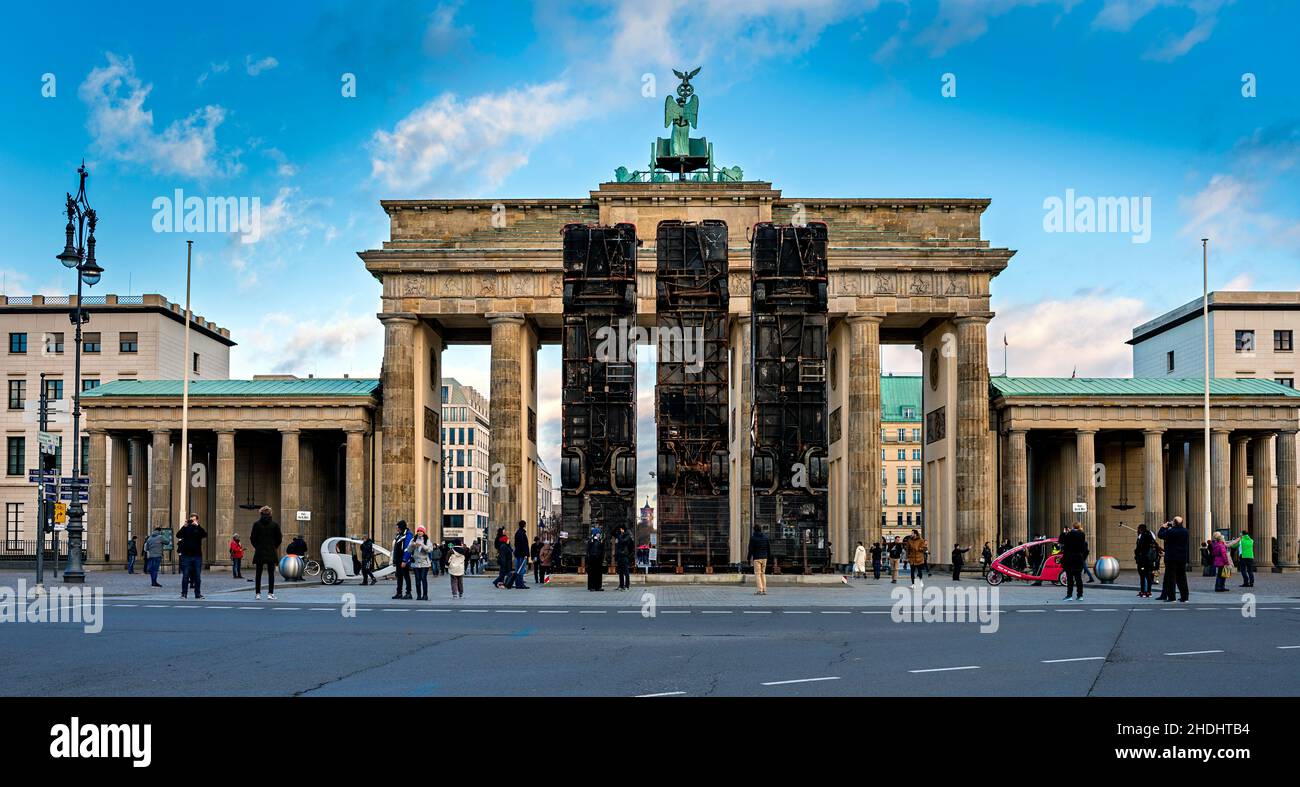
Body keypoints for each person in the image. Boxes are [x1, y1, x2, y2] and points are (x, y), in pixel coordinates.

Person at [250, 506, 282, 601]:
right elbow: (279, 539)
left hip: (260, 551)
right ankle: (270, 593)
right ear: (270, 513)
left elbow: (252, 538)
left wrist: (257, 546)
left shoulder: (256, 524)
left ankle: (258, 594)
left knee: (258, 573)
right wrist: (273, 546)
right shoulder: (275, 525)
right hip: (271, 551)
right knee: (271, 574)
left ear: (261, 513)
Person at [1157, 516, 1190, 602]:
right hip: (1182, 558)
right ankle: (1185, 597)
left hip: (1171, 558)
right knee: (1182, 577)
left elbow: (1160, 535)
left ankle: (1172, 597)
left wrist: (1163, 527)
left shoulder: (1171, 531)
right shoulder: (1185, 531)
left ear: (1174, 523)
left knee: (1171, 578)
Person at [176, 513, 207, 599]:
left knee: (197, 576)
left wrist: (198, 526)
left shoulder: (198, 528)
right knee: (185, 575)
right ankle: (184, 594)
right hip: (186, 556)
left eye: (193, 520)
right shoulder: (186, 528)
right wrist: (184, 526)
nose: (191, 521)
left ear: (197, 520)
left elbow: (204, 534)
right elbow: (178, 535)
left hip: (197, 556)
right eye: (190, 520)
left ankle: (197, 594)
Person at [1058, 522, 1089, 601]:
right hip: (1078, 558)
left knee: (1070, 578)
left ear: (1072, 526)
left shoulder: (1069, 534)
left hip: (1069, 559)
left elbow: (1061, 541)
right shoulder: (1082, 534)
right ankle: (1080, 595)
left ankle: (1069, 595)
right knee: (1078, 578)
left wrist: (1064, 533)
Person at [1134, 523, 1159, 598]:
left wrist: (1136, 553)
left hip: (1143, 560)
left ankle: (1143, 592)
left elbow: (1139, 548)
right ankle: (1148, 591)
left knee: (1143, 576)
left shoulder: (1142, 536)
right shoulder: (1151, 536)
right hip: (1150, 560)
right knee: (1148, 576)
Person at [391, 520, 413, 600]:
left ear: (401, 527)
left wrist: (405, 560)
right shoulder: (398, 535)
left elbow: (408, 549)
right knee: (399, 576)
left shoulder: (408, 535)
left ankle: (408, 593)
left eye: (398, 526)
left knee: (406, 576)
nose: (396, 528)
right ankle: (399, 592)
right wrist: (394, 560)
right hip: (398, 560)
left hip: (403, 560)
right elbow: (395, 548)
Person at [409, 526, 432, 600]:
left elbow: (429, 550)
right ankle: (419, 595)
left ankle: (425, 595)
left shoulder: (427, 540)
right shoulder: (413, 539)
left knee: (423, 578)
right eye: (418, 531)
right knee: (417, 579)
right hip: (416, 563)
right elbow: (408, 550)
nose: (419, 532)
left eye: (421, 531)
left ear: (424, 532)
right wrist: (413, 545)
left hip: (424, 562)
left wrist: (422, 545)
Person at [747, 525, 771, 595]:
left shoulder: (753, 538)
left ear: (754, 530)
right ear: (761, 529)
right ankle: (764, 590)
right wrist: (769, 557)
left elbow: (750, 549)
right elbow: (768, 548)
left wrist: (748, 558)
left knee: (758, 574)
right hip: (764, 557)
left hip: (757, 558)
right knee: (763, 573)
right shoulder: (765, 537)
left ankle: (760, 590)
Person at [615, 524, 634, 590]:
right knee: (620, 571)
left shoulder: (627, 536)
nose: (620, 530)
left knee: (626, 571)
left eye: (621, 529)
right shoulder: (621, 535)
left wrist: (619, 536)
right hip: (620, 555)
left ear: (623, 529)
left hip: (625, 555)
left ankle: (627, 585)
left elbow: (623, 541)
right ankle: (621, 585)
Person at [512, 521, 531, 589]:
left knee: (518, 569)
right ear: (524, 525)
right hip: (522, 554)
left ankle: (518, 583)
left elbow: (516, 544)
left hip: (518, 554)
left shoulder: (517, 533)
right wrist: (526, 554)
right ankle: (520, 584)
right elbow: (524, 545)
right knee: (521, 570)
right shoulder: (522, 533)